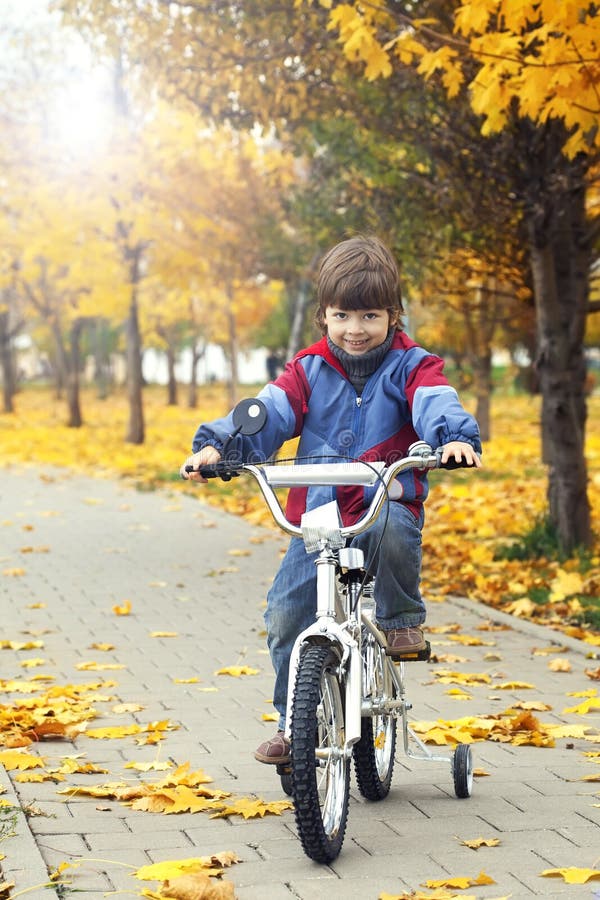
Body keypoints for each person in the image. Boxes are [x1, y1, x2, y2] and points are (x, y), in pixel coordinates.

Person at [181, 234, 482, 766]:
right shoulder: (307, 370)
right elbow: (269, 414)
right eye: (343, 315)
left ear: (393, 314)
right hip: (321, 515)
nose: (355, 329)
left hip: (384, 498)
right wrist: (217, 447)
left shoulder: (414, 366)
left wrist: (452, 437)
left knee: (391, 522)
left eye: (370, 316)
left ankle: (399, 619)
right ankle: (292, 723)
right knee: (284, 613)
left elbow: (437, 403)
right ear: (324, 316)